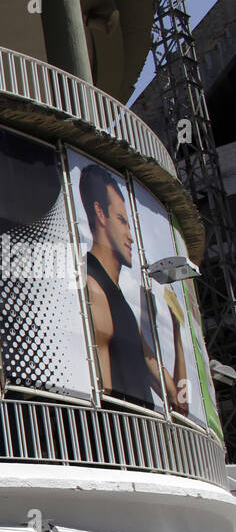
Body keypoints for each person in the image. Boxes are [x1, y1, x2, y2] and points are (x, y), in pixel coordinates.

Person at [80, 165, 158, 404]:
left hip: (143, 433)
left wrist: (174, 327)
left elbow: (179, 400)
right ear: (100, 214)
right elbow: (105, 396)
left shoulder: (119, 299)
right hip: (123, 436)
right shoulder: (93, 288)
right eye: (122, 220)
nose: (131, 236)